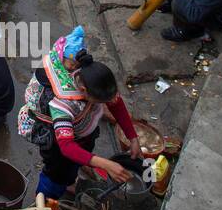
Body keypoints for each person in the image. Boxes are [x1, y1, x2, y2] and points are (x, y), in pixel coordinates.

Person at [18, 28, 141, 200]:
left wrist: (132, 137)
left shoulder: (91, 74)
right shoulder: (62, 105)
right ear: (83, 91)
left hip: (82, 133)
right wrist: (106, 165)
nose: (107, 103)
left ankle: (69, 181)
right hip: (58, 145)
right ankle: (46, 199)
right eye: (100, 102)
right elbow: (67, 147)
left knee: (75, 163)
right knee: (56, 174)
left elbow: (115, 102)